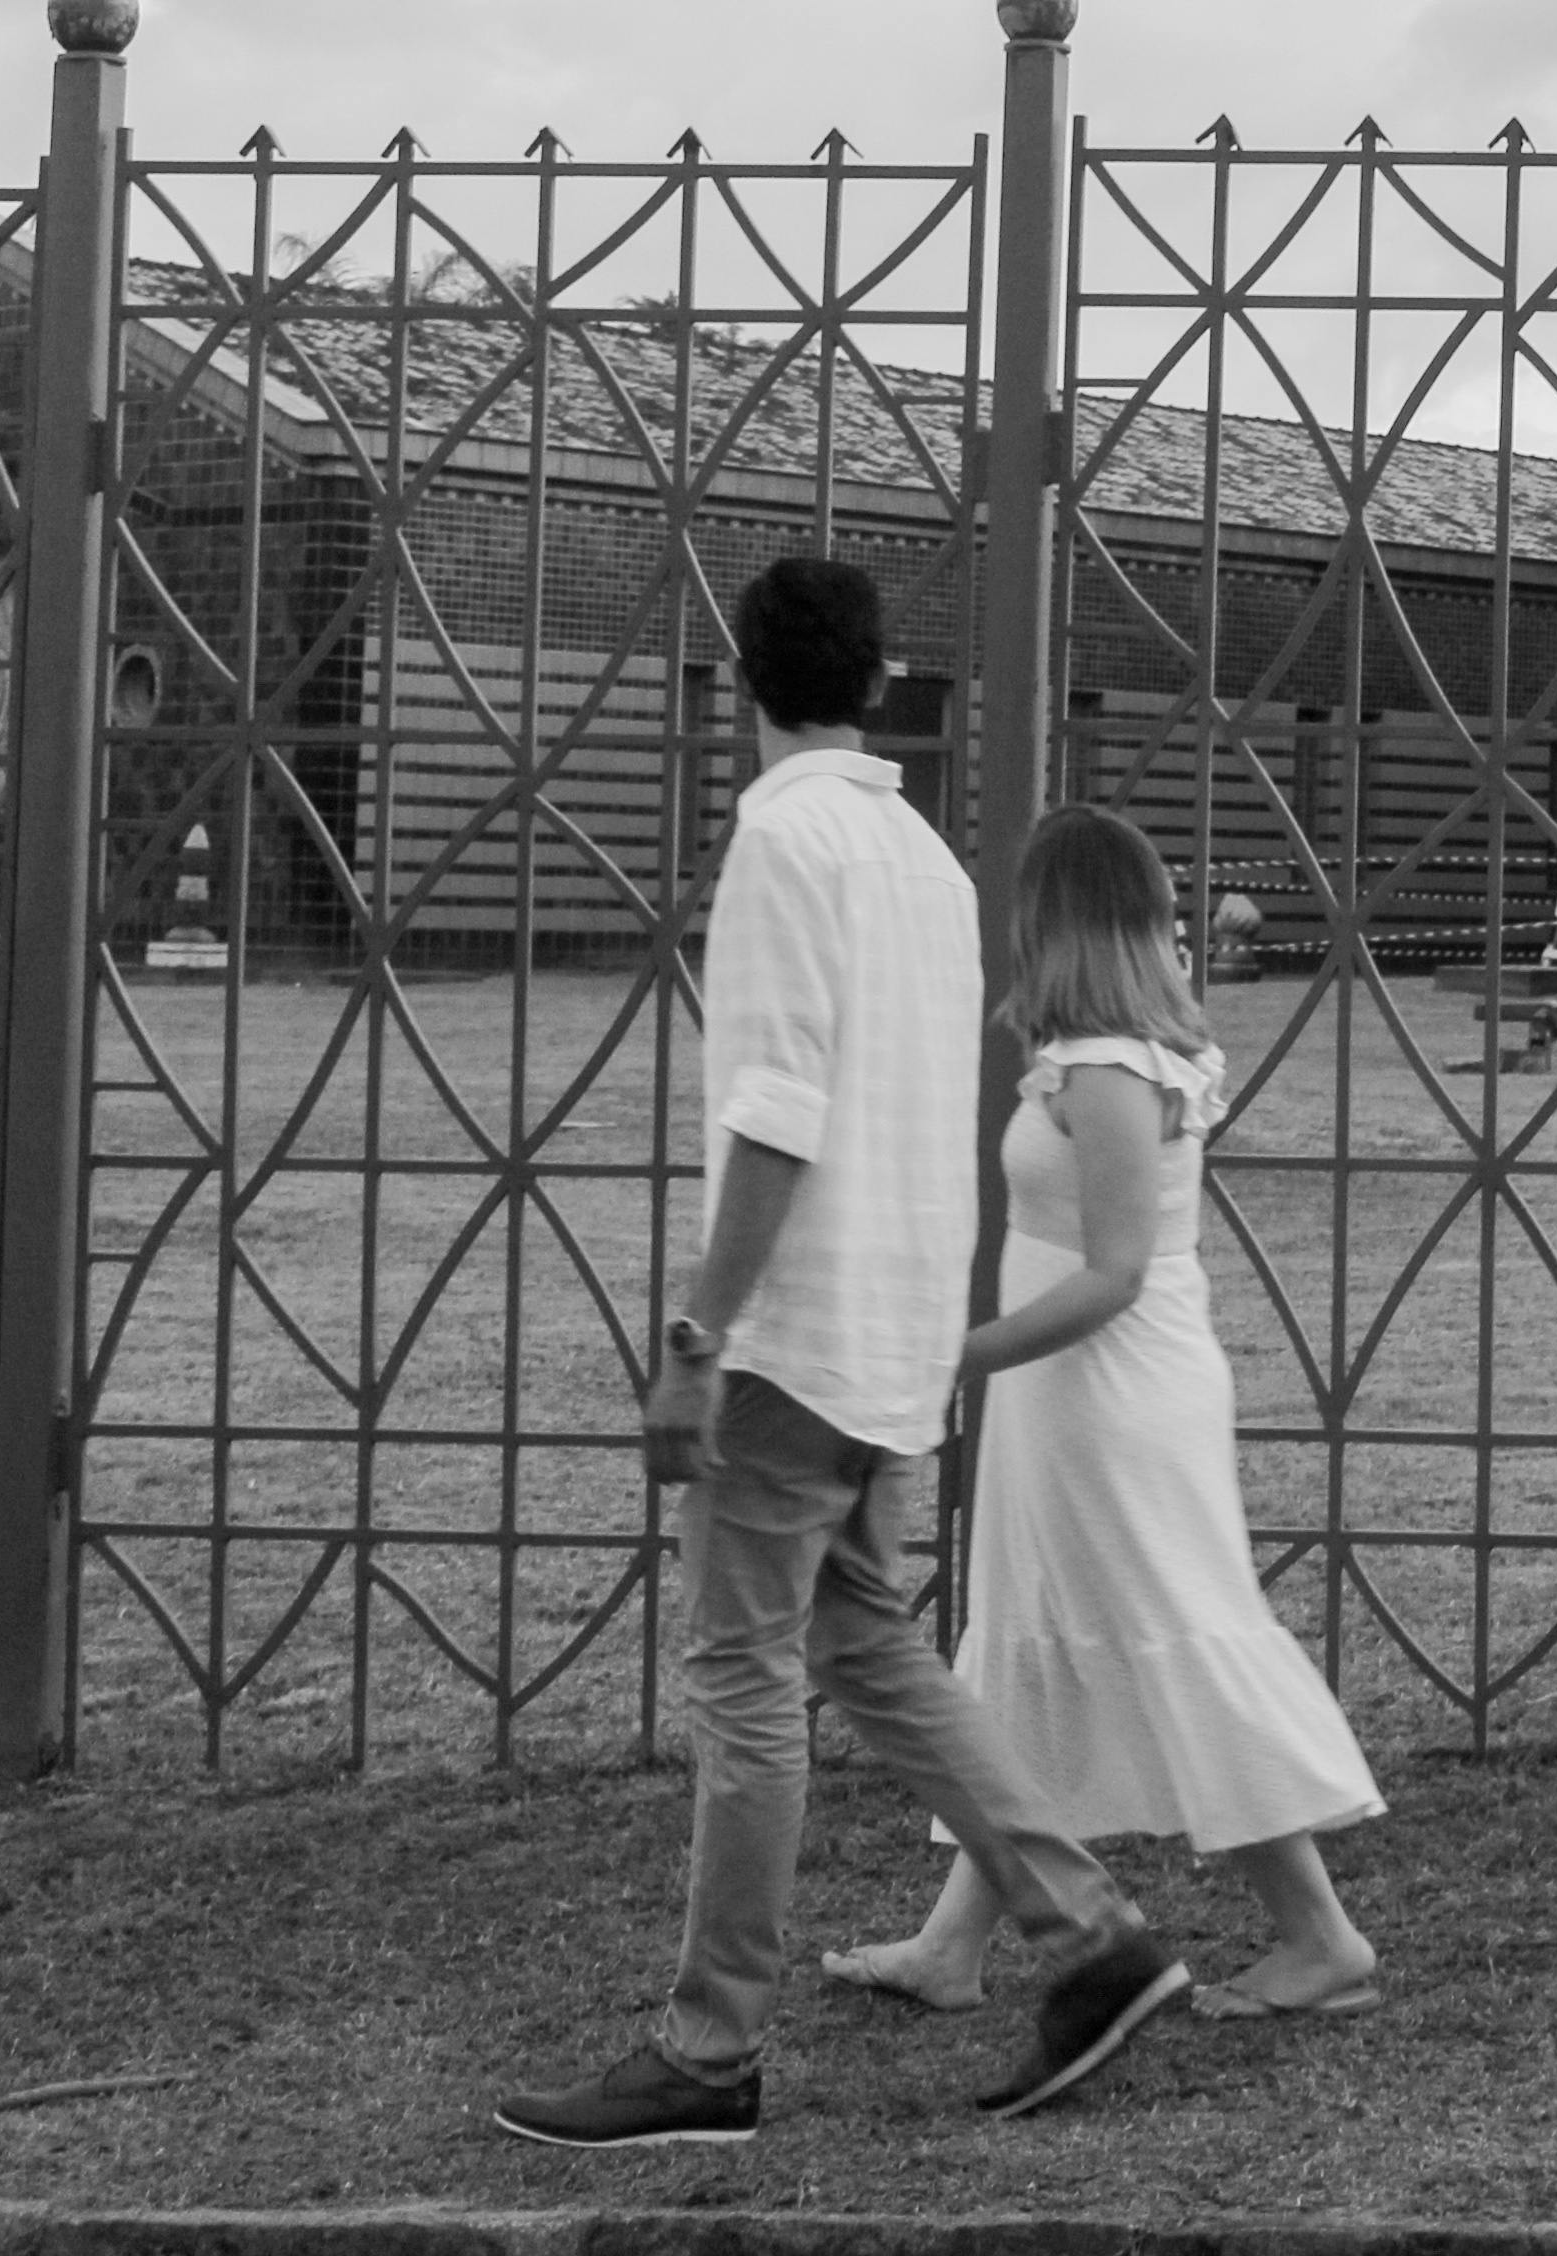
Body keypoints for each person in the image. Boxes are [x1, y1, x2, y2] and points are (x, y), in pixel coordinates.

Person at [496, 559, 1188, 2150]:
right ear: (884, 686)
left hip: (795, 1343)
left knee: (745, 1681)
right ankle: (1092, 1941)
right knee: (869, 1649)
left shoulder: (783, 841)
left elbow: (774, 1116)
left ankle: (711, 2048)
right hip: (889, 1336)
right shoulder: (929, 861)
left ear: (740, 681)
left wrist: (697, 1338)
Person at [820, 804, 1387, 2022]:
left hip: (1113, 1392)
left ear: (1056, 921)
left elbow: (1117, 1270)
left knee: (1164, 1629)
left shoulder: (1117, 1072)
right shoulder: (1093, 1058)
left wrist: (954, 1356)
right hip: (1065, 1392)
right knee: (1040, 1637)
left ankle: (1320, 1937)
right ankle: (952, 1945)